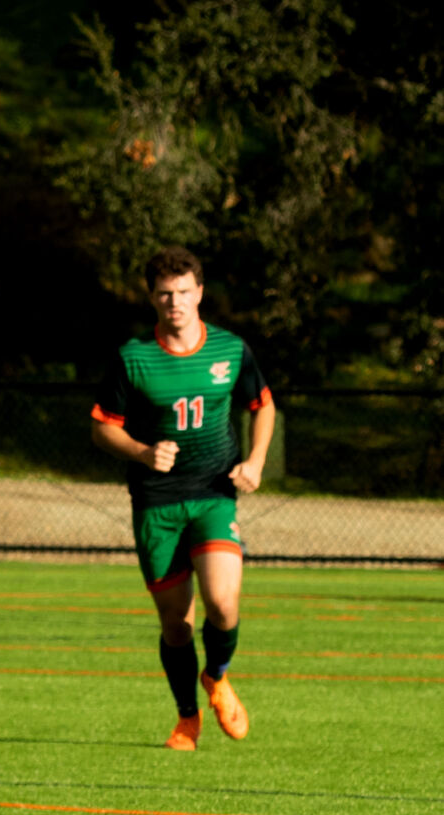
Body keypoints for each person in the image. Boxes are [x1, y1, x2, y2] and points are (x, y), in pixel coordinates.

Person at [91, 245, 276, 750]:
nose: (175, 302)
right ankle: (187, 718)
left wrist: (256, 461)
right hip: (156, 503)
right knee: (177, 623)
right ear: (152, 298)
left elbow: (263, 405)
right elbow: (101, 428)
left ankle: (216, 675)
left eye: (184, 292)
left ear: (200, 293)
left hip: (215, 494)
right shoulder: (134, 358)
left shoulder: (230, 350)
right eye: (165, 294)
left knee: (222, 602)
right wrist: (142, 452)